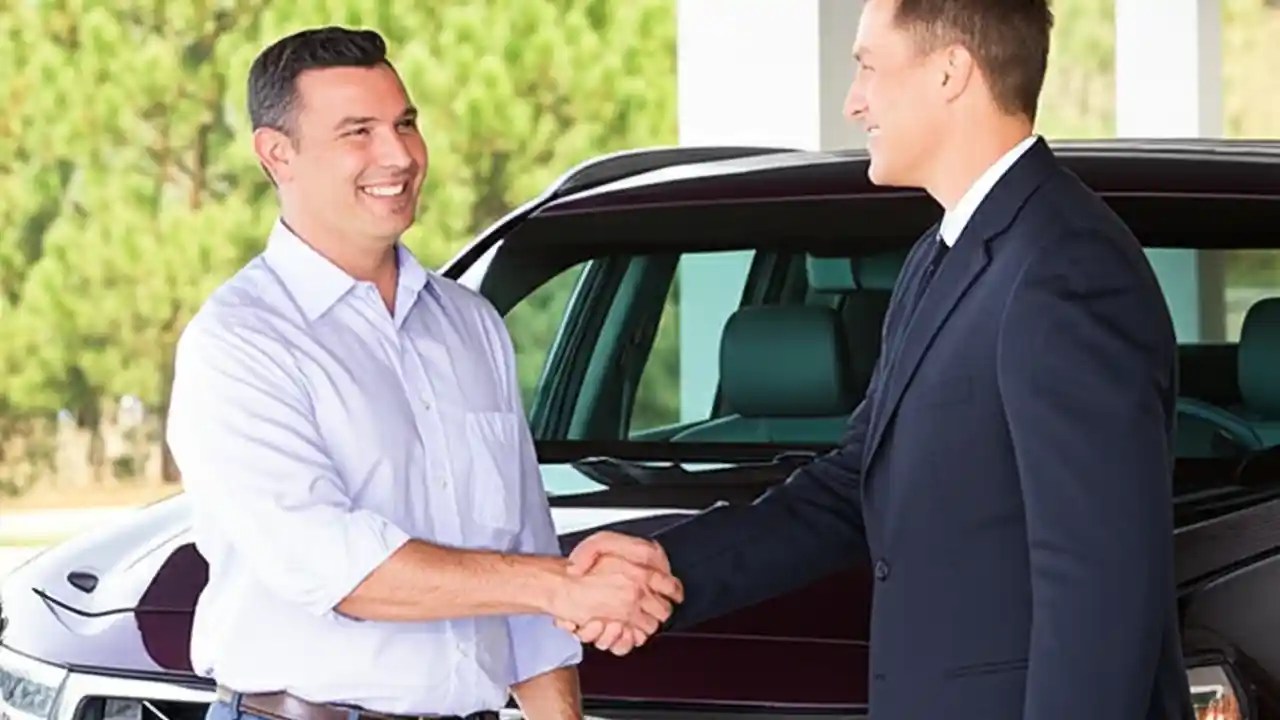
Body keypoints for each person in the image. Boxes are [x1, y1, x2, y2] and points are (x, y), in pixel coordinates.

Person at [561, 0, 1196, 718]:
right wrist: (671, 570)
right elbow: (854, 486)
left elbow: (1099, 584)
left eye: (868, 66)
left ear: (952, 71)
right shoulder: (943, 257)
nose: (853, 100)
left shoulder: (1064, 266)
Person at [165, 26, 681, 720]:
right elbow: (340, 568)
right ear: (277, 154)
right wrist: (562, 585)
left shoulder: (470, 326)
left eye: (405, 123)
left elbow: (523, 570)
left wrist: (555, 615)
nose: (400, 154)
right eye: (360, 131)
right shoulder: (239, 344)